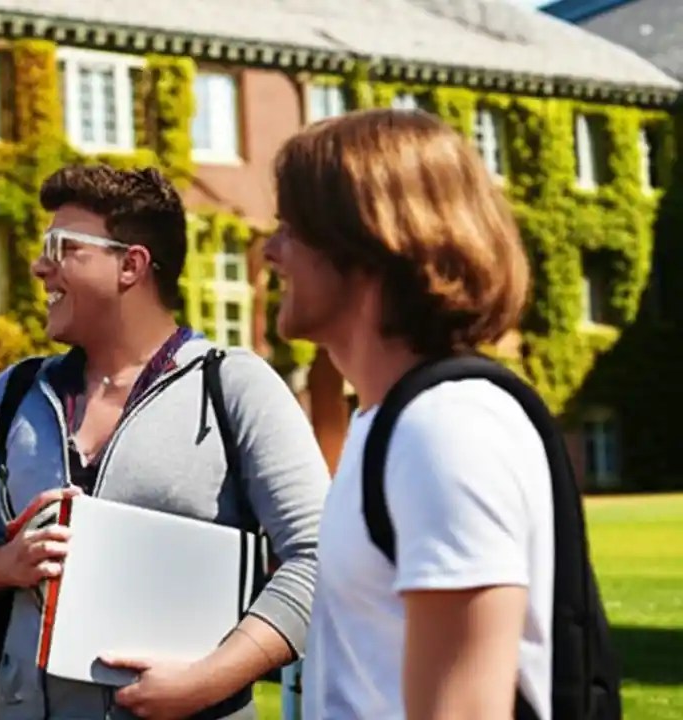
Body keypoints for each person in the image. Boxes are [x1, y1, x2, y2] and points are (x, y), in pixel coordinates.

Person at [0, 164, 331, 719]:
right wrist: (0, 565)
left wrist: (204, 683)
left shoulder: (234, 386)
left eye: (62, 247)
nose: (39, 266)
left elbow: (318, 558)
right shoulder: (14, 394)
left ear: (131, 265)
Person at [266, 109, 555, 719]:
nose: (270, 252)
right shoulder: (387, 422)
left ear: (366, 243)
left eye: (290, 229)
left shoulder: (445, 429)